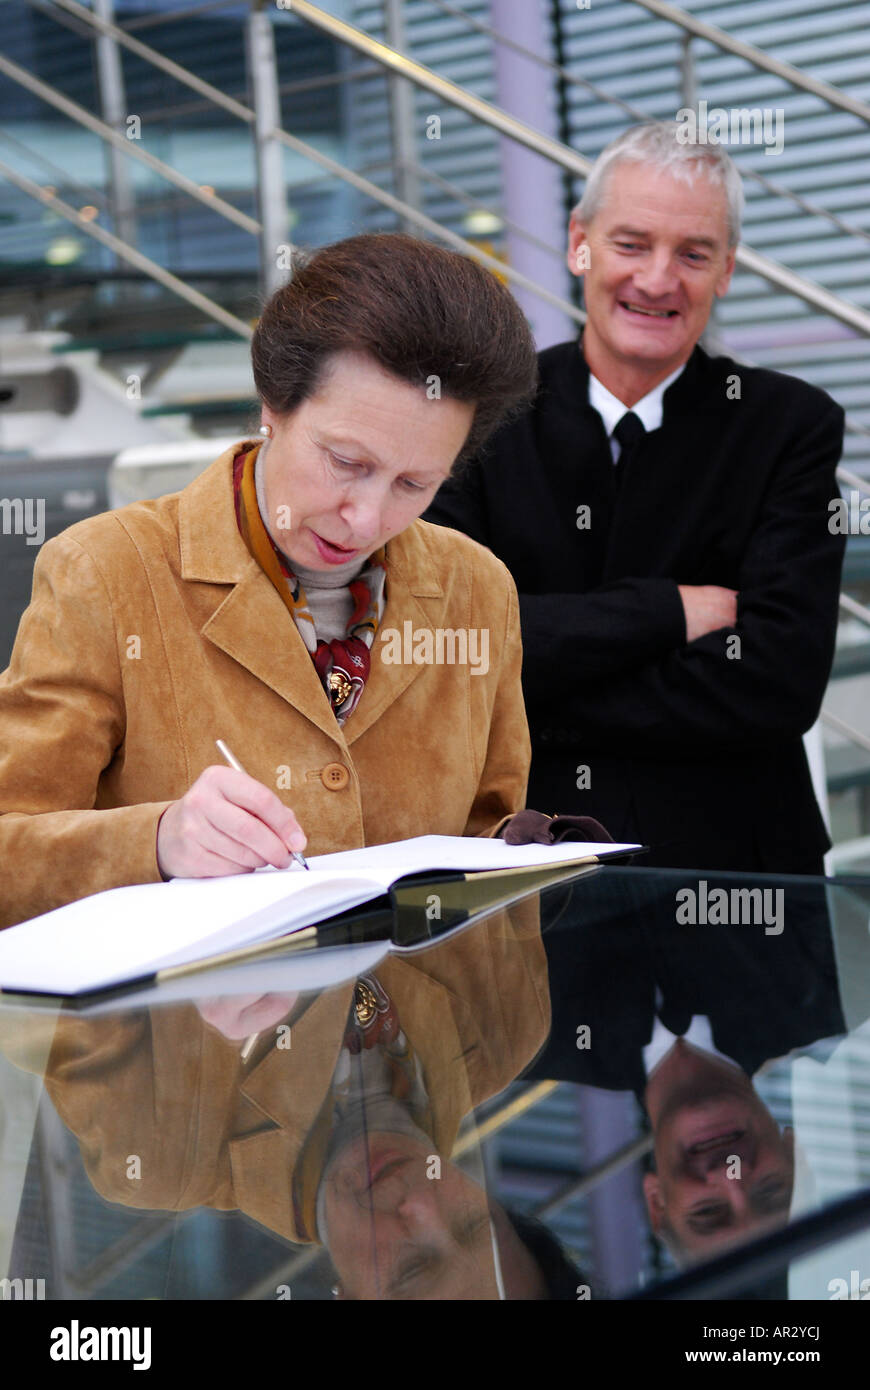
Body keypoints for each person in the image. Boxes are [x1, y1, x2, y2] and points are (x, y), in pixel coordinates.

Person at [0, 233, 541, 930]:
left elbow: (486, 843)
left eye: (414, 483)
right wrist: (156, 843)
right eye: (346, 461)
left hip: (415, 1029)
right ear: (273, 404)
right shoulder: (108, 573)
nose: (367, 516)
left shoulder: (478, 589)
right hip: (182, 1032)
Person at [426, 121, 846, 874]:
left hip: (743, 880)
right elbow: (449, 651)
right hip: (536, 865)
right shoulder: (480, 416)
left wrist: (541, 686)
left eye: (693, 254)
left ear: (726, 271)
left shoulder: (792, 425)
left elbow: (778, 683)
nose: (657, 280)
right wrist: (669, 611)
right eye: (631, 244)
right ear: (578, 243)